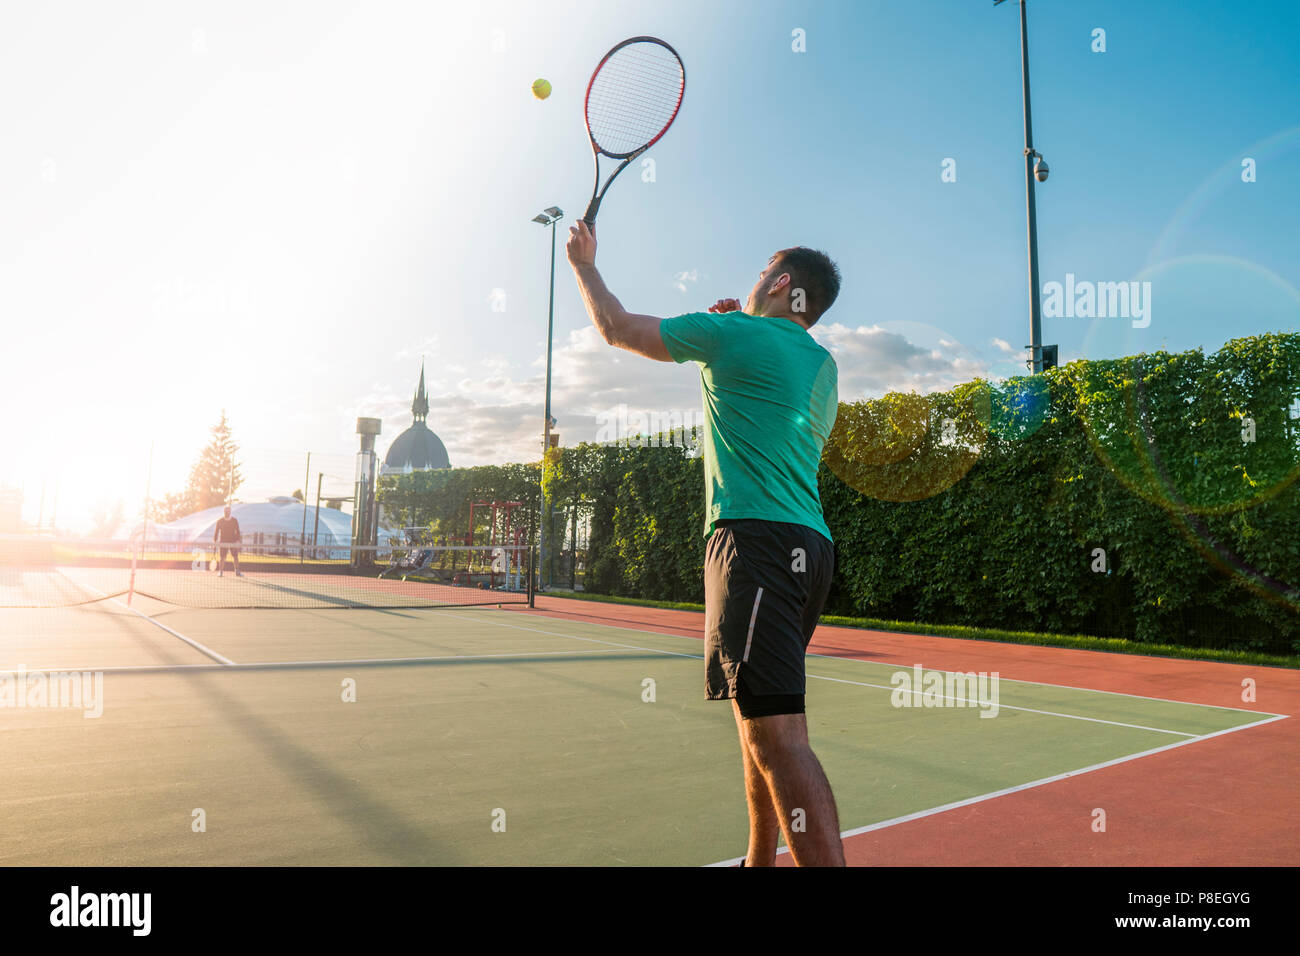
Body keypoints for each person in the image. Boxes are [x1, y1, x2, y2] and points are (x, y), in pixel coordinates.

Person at [565, 221, 845, 867]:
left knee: (781, 739)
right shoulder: (821, 364)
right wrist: (729, 331)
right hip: (808, 546)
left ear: (779, 283)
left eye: (759, 274)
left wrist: (584, 264)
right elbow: (757, 399)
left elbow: (616, 328)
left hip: (754, 544)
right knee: (759, 721)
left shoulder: (731, 335)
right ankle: (758, 861)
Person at [213, 504, 243, 577]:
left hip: (233, 542)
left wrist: (238, 540)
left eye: (228, 511)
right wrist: (215, 541)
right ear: (224, 511)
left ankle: (237, 571)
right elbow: (216, 532)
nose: (227, 512)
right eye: (226, 511)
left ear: (230, 512)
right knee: (222, 557)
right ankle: (220, 572)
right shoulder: (219, 521)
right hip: (223, 542)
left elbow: (238, 531)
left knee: (235, 557)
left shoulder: (234, 520)